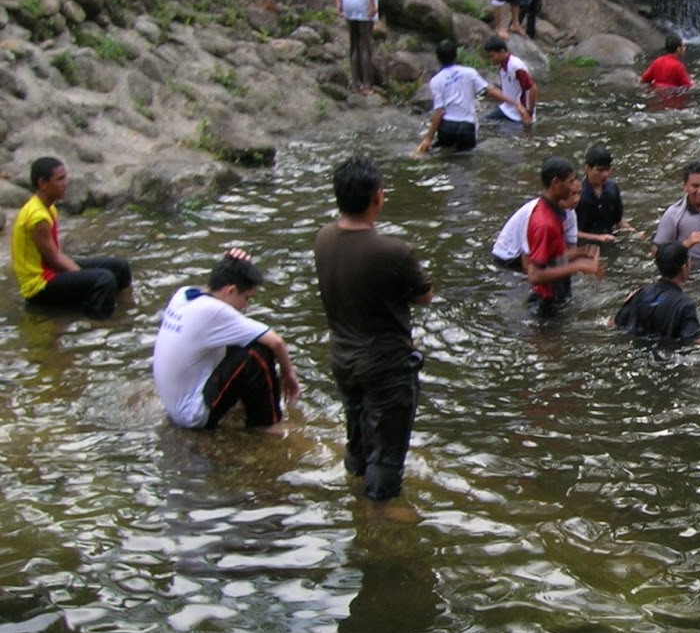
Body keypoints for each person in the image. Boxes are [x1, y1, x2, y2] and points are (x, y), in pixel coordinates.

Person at [313, 156, 433, 518]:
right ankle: (378, 519)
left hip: (344, 359)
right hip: (387, 365)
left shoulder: (323, 238)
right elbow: (424, 295)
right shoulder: (393, 251)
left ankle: (357, 495)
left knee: (359, 437)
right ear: (378, 197)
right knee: (388, 453)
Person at [152, 251, 301, 431]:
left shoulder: (183, 295)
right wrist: (288, 375)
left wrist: (231, 265)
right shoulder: (215, 311)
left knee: (239, 338)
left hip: (175, 405)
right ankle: (267, 425)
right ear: (230, 290)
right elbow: (276, 342)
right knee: (257, 353)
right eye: (246, 298)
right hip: (192, 415)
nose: (246, 306)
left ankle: (240, 405)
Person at [11, 156, 133, 319]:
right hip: (38, 286)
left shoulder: (49, 208)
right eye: (60, 179)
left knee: (120, 266)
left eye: (65, 177)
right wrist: (82, 276)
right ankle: (99, 321)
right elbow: (54, 258)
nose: (65, 183)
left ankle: (123, 310)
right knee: (104, 279)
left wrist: (83, 275)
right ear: (42, 183)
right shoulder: (37, 217)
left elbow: (55, 254)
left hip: (51, 271)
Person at [524, 156, 603, 316]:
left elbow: (552, 257)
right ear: (555, 183)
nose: (574, 186)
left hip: (558, 293)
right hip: (546, 303)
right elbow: (534, 274)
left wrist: (581, 253)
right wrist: (578, 266)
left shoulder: (556, 211)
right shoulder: (544, 223)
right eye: (570, 181)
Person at [416, 38, 503, 154]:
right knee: (467, 159)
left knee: (441, 154)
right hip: (467, 127)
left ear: (437, 58)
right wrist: (514, 102)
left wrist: (428, 138)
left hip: (447, 128)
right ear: (456, 55)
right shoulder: (469, 72)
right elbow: (490, 91)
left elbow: (439, 111)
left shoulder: (436, 80)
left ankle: (418, 154)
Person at [614, 242, 700, 344]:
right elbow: (693, 340)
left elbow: (616, 323)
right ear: (683, 268)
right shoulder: (685, 305)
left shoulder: (640, 294)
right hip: (668, 356)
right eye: (689, 261)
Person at [575, 143, 633, 243]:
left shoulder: (612, 188)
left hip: (609, 239)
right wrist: (598, 238)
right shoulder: (577, 194)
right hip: (584, 245)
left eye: (608, 169)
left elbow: (618, 220)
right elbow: (569, 232)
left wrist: (632, 232)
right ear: (588, 168)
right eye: (600, 170)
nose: (605, 174)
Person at [485, 35, 537, 127]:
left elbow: (533, 88)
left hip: (520, 114)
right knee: (485, 123)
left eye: (492, 56)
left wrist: (529, 112)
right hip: (507, 108)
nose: (491, 60)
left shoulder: (516, 67)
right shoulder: (503, 65)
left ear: (502, 52)